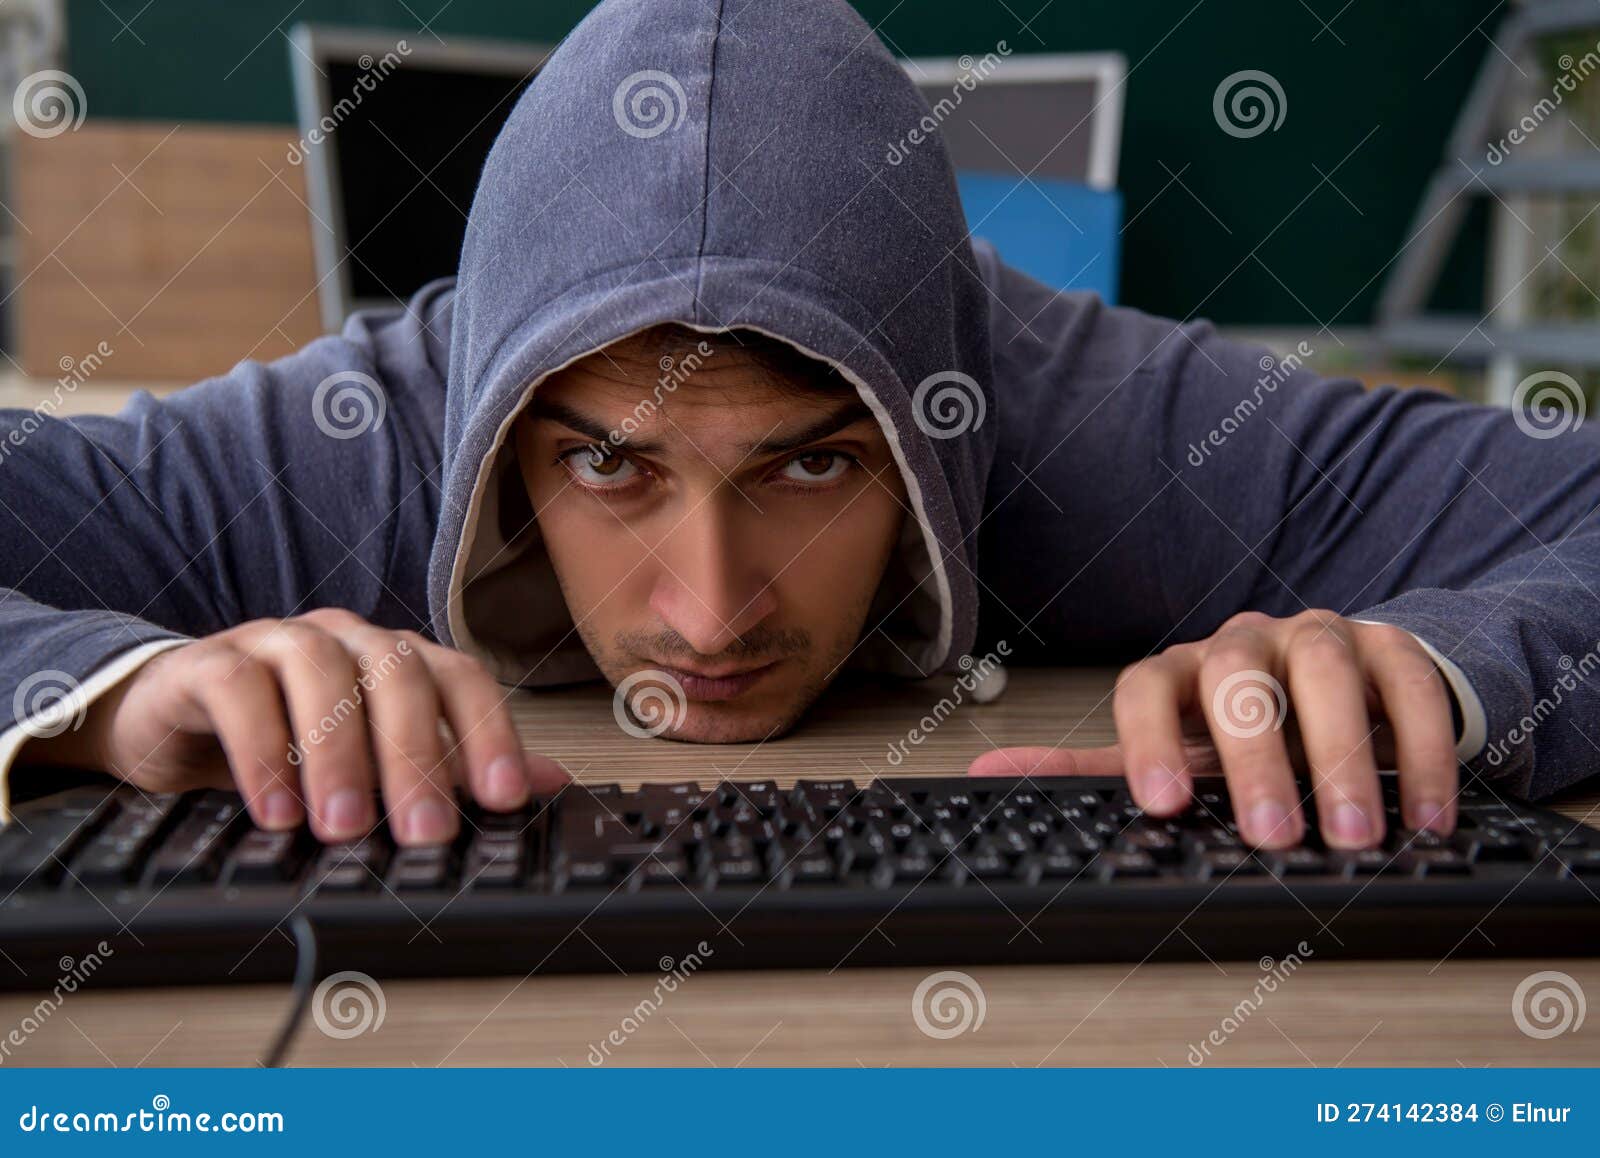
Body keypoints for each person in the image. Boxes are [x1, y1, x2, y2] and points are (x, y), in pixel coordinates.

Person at [3, 0, 1596, 856]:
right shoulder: (378, 430)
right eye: (607, 463)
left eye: (815, 463)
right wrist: (100, 698)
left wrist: (1451, 670)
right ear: (492, 428)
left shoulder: (1082, 413)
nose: (710, 612)